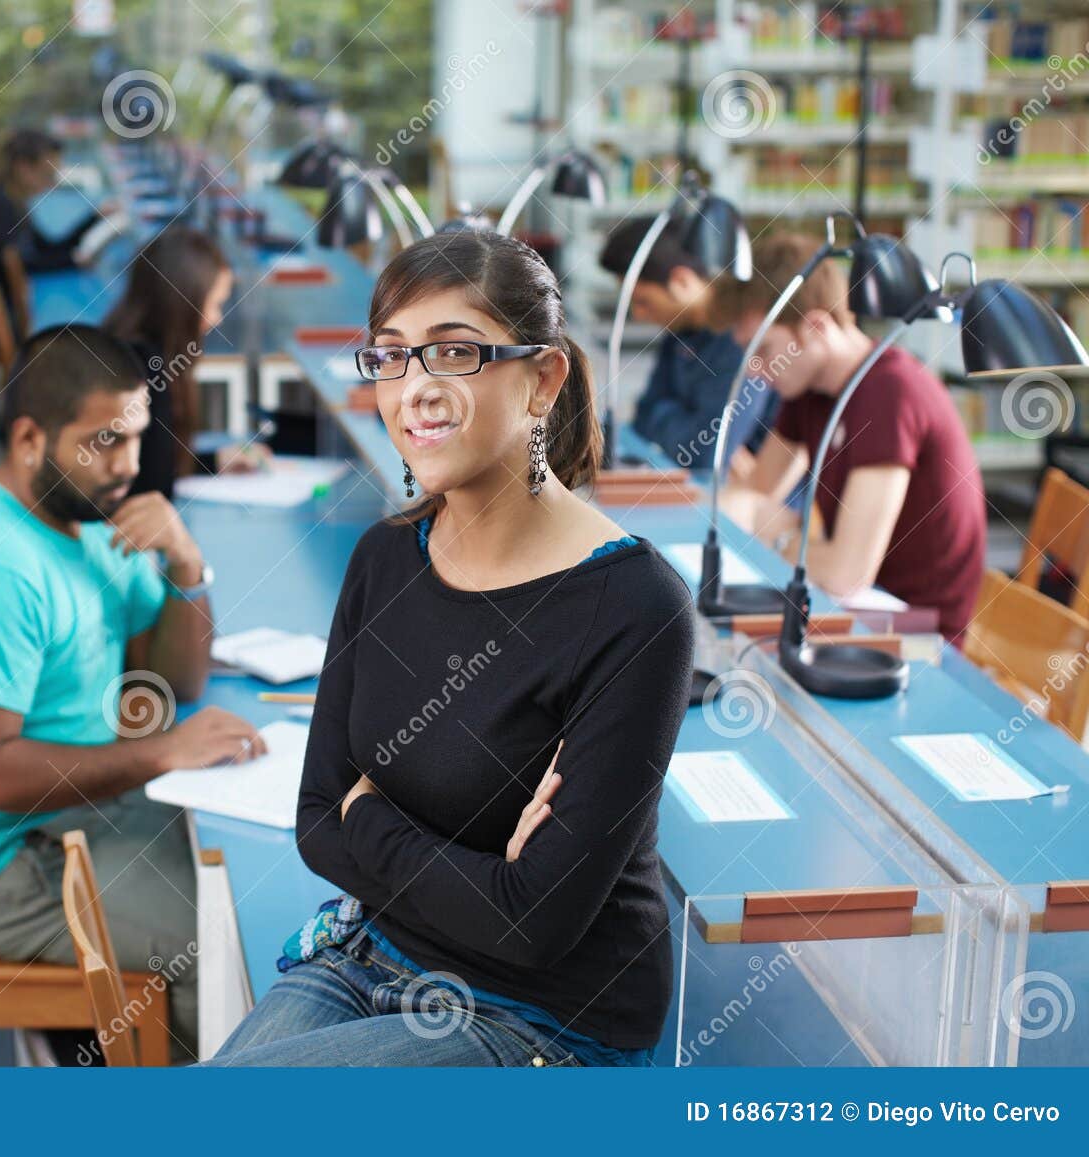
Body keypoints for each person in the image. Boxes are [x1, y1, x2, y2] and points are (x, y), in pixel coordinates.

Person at [204, 231, 696, 1067]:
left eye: (456, 353)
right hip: (371, 954)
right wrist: (471, 871)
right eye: (392, 358)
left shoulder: (637, 607)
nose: (415, 391)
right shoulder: (385, 559)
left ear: (542, 379)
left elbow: (531, 925)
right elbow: (317, 820)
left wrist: (373, 818)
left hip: (541, 1021)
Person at [0, 323, 266, 1061]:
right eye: (105, 442)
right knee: (226, 946)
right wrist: (160, 751)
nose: (128, 465)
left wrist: (188, 563)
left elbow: (177, 680)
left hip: (68, 815)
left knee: (253, 894)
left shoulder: (87, 519)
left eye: (136, 437)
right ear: (31, 438)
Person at [708, 231, 987, 641]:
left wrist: (779, 532)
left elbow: (844, 574)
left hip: (917, 639)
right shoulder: (810, 389)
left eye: (763, 350)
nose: (753, 370)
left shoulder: (890, 391)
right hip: (854, 611)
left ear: (816, 327)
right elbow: (747, 498)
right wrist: (769, 523)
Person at [104, 225, 271, 497]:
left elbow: (154, 464)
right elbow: (154, 489)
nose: (217, 319)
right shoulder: (149, 371)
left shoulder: (123, 344)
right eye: (214, 304)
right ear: (183, 303)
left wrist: (215, 460)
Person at [600, 215, 776, 473]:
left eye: (643, 301)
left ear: (681, 280)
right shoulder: (681, 330)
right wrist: (680, 421)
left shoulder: (740, 338)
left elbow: (703, 454)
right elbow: (643, 417)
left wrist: (666, 416)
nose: (638, 314)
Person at [0, 127, 101, 349]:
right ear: (23, 169)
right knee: (76, 338)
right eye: (49, 175)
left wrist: (95, 218)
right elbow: (22, 263)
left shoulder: (11, 202)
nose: (53, 183)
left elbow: (47, 248)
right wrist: (74, 262)